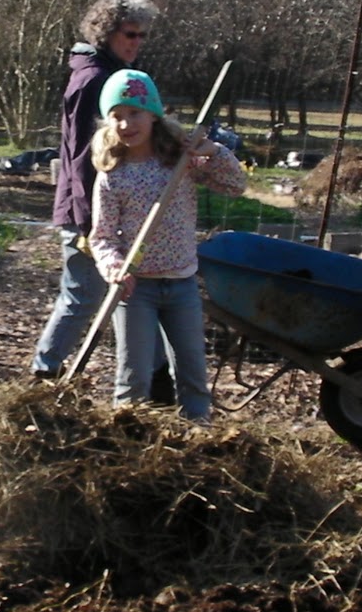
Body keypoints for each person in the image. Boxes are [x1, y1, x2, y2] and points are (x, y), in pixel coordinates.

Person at [88, 69, 247, 422]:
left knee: (192, 374)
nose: (126, 124)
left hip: (181, 284)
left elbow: (236, 186)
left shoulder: (180, 160)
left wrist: (213, 152)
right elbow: (100, 237)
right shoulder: (114, 175)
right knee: (134, 378)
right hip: (135, 289)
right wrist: (114, 268)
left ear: (154, 114)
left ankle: (200, 435)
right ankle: (127, 441)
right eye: (116, 117)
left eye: (134, 113)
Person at [31, 0, 170, 389]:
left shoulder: (121, 78)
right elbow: (80, 158)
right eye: (130, 34)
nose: (136, 43)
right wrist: (89, 222)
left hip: (122, 210)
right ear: (106, 32)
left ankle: (159, 378)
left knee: (140, 296)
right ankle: (45, 372)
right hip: (89, 214)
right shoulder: (92, 80)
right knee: (83, 295)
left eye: (143, 35)